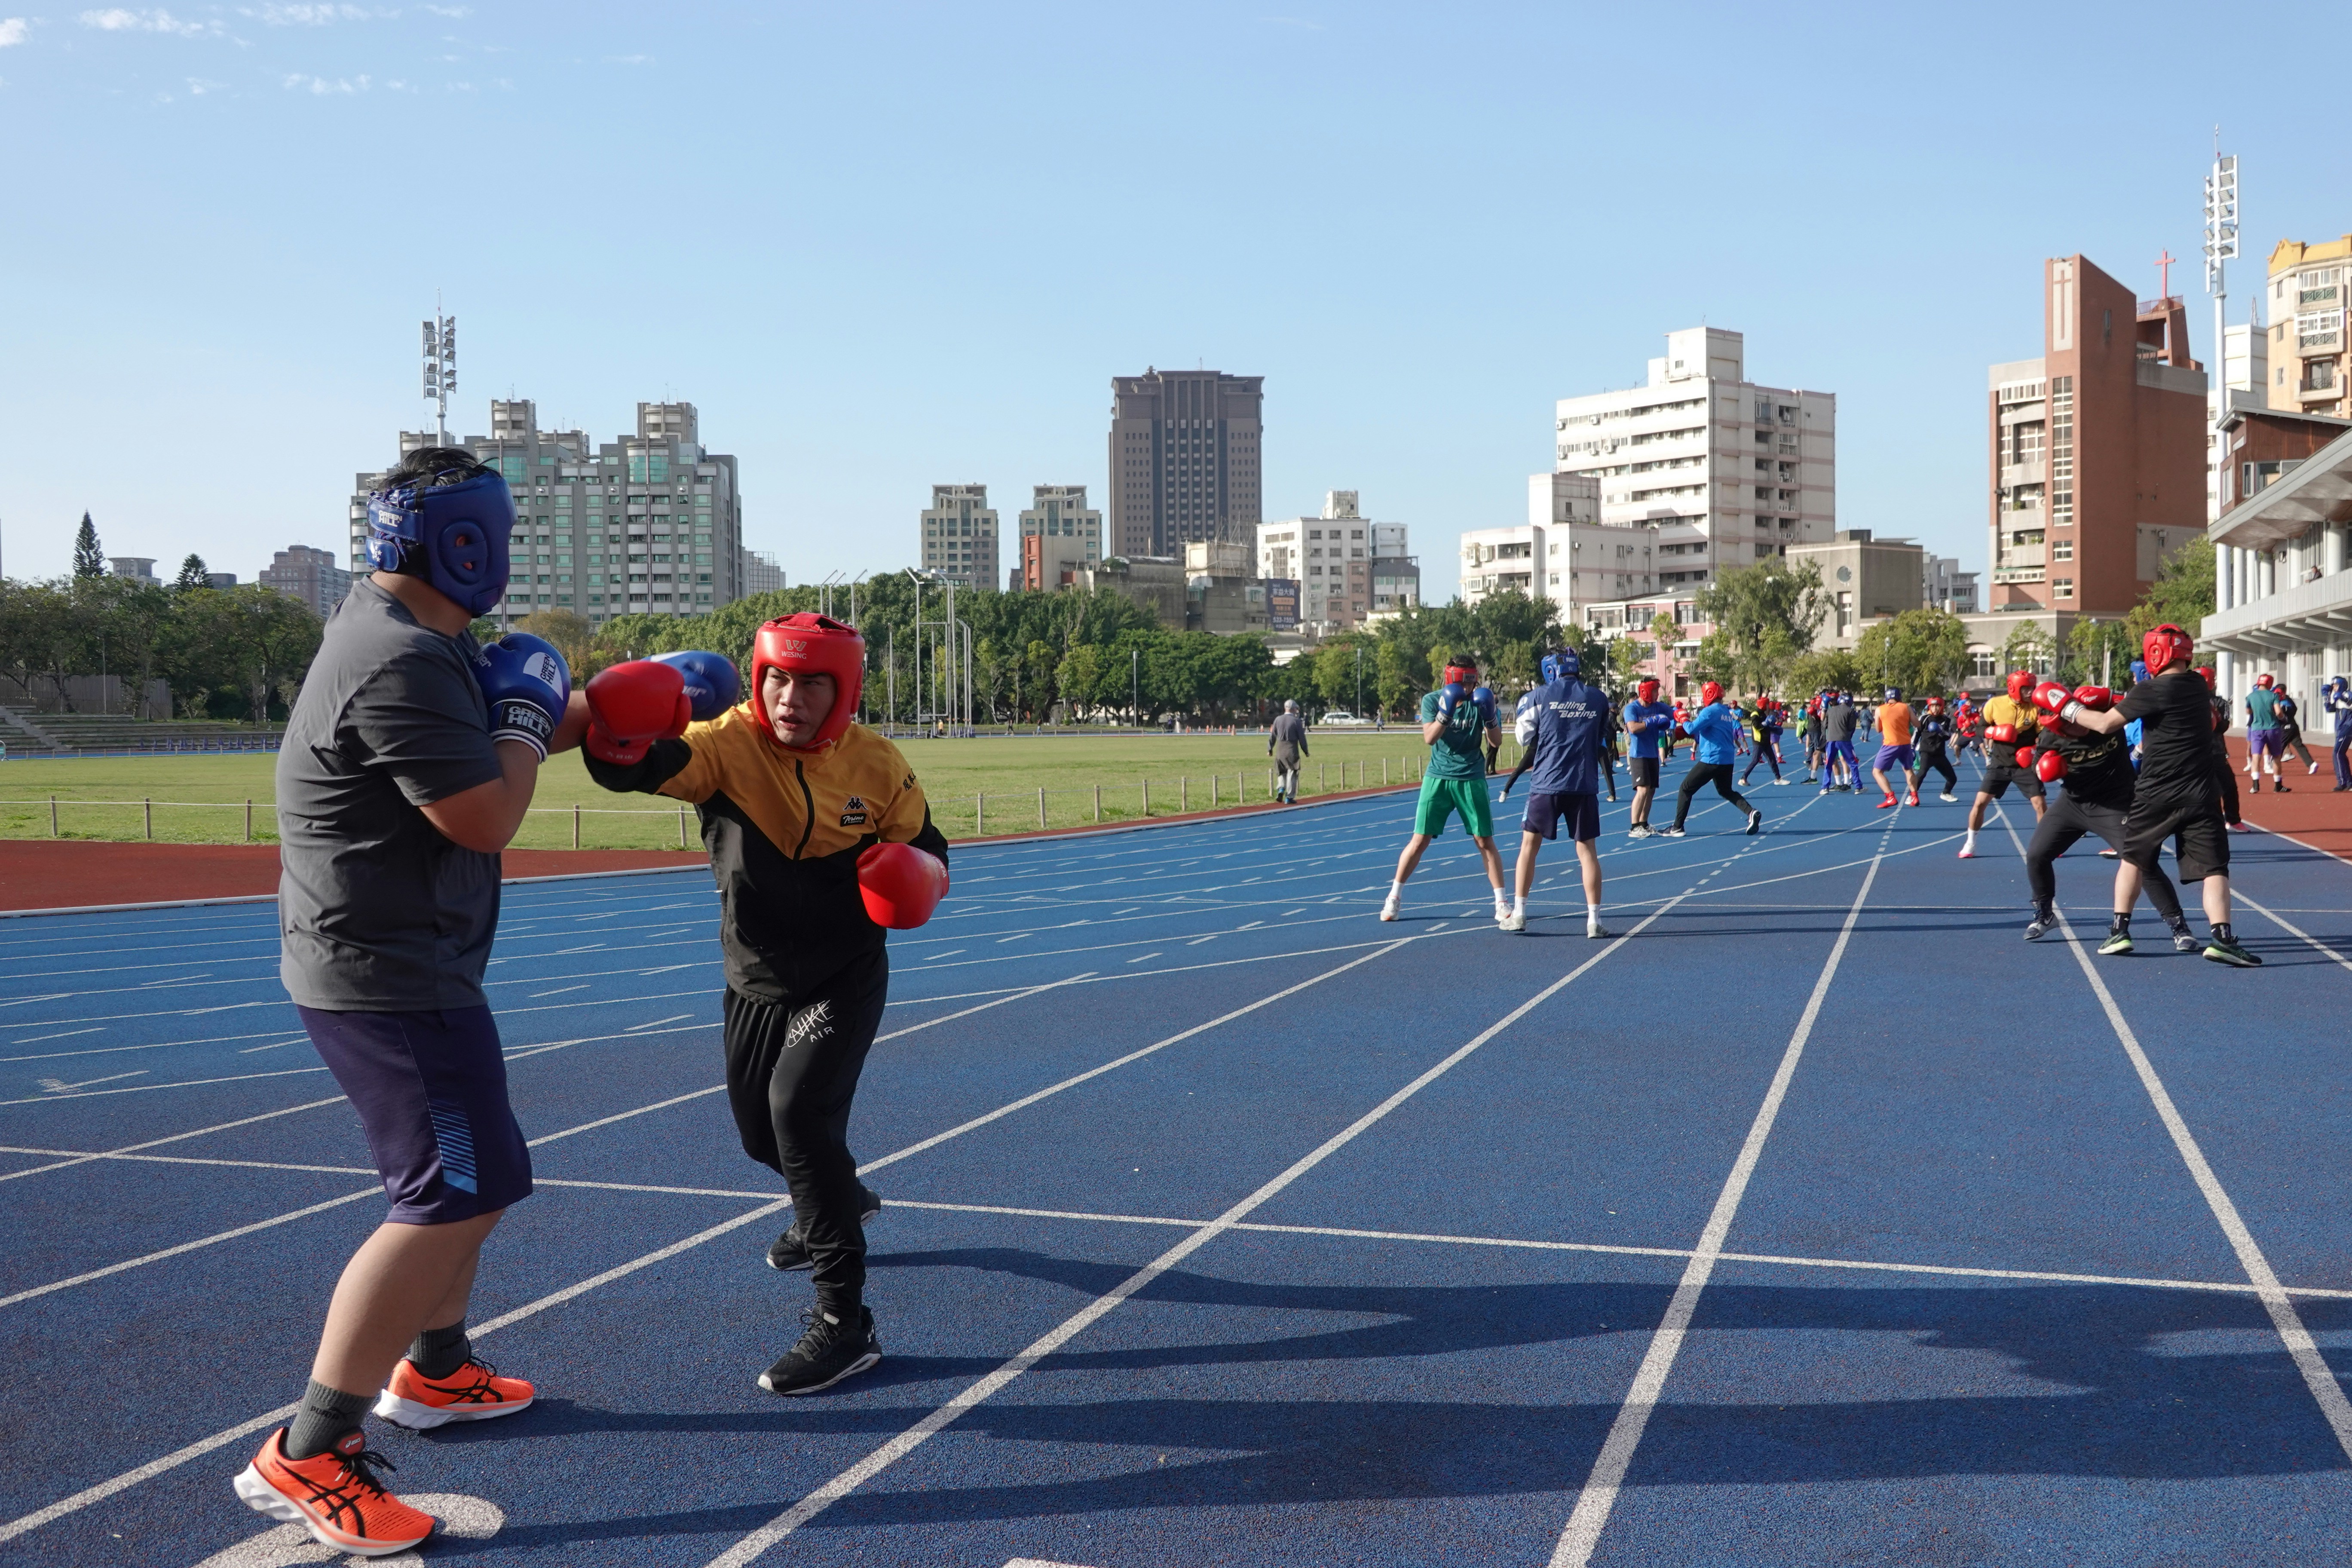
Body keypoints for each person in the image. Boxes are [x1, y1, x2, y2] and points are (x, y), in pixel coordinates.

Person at [237, 447, 590, 1556]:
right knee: (455, 1189)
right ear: (466, 539)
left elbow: (504, 730)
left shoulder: (412, 634)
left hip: (395, 964)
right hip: (389, 978)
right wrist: (533, 722)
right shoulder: (398, 658)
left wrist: (620, 704)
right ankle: (311, 1447)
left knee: (472, 1178)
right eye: (503, 536)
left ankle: (436, 1372)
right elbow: (485, 815)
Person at [584, 613, 952, 1393]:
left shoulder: (877, 764)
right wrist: (615, 736)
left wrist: (920, 876)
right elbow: (639, 767)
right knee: (765, 1141)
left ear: (843, 690)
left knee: (798, 1114)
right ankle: (841, 1196)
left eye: (812, 682)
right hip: (753, 977)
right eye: (778, 678)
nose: (790, 696)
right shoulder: (728, 742)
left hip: (842, 973)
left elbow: (931, 846)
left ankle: (845, 1323)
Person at [2047, 625, 2261, 966]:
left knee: (2133, 859)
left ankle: (2119, 931)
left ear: (2156, 653)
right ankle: (2222, 938)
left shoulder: (2151, 689)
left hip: (2156, 793)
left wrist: (2069, 707)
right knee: (2215, 869)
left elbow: (2103, 725)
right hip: (2202, 792)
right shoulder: (2197, 686)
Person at [2018, 683, 2196, 955]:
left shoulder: (2105, 715)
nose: (2074, 730)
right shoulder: (2051, 737)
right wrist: (2043, 769)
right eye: (2065, 729)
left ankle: (2179, 927)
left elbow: (2142, 707)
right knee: (2036, 855)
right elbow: (2037, 766)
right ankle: (2044, 914)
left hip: (2115, 804)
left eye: (2073, 723)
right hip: (2073, 803)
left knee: (2142, 862)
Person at [1497, 648, 1613, 938]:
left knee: (1528, 848)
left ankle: (1520, 913)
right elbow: (1602, 736)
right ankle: (1594, 921)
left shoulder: (1539, 696)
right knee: (1587, 853)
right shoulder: (1597, 697)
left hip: (1546, 782)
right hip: (1583, 784)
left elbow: (1524, 737)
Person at [1382, 658, 1508, 924]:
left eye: (1472, 680)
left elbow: (1496, 742)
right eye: (1464, 680)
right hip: (1438, 777)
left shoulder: (1482, 700)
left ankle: (1501, 902)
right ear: (1452, 678)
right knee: (1419, 840)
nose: (1469, 686)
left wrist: (1489, 716)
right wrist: (1446, 712)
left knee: (1484, 840)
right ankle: (1394, 898)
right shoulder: (1433, 700)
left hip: (1471, 777)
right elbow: (1430, 738)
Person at [1961, 669, 2047, 858]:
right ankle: (1970, 843)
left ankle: (2045, 845)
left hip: (2025, 764)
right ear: (2014, 688)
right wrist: (1995, 732)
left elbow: (2043, 734)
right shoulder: (1995, 704)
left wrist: (2037, 750)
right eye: (2026, 689)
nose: (2030, 692)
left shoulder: (2036, 706)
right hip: (2000, 763)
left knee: (2040, 803)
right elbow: (1980, 729)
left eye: (2032, 688)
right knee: (1980, 803)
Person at [1660, 681, 1763, 838]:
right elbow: (1710, 733)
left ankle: (1678, 827)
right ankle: (1751, 812)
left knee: (1686, 788)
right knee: (1726, 791)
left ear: (1709, 694)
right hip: (1728, 759)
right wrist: (1688, 732)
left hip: (1712, 759)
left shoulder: (1710, 711)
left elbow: (1692, 728)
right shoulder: (1726, 713)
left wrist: (1684, 719)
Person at [1620, 676, 1675, 838]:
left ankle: (1643, 824)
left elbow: (1672, 714)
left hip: (1652, 754)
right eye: (1654, 691)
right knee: (1643, 790)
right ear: (1645, 691)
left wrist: (1679, 717)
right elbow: (1633, 728)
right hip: (1639, 755)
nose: (1657, 695)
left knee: (1651, 791)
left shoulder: (1657, 707)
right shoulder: (1633, 708)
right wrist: (1652, 722)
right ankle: (1634, 827)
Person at [1870, 686, 1916, 808]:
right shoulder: (1906, 707)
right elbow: (1917, 724)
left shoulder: (1880, 709)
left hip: (1890, 744)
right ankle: (1915, 796)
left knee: (1877, 772)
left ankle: (1890, 797)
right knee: (1908, 770)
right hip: (1906, 743)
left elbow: (1878, 729)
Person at [1910, 695, 1959, 802]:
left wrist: (1941, 731)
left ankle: (1946, 793)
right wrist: (1912, 748)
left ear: (1941, 707)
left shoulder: (1946, 720)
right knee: (1922, 774)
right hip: (1926, 752)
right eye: (1932, 706)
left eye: (1937, 706)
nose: (1935, 709)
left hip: (1940, 754)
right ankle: (1912, 796)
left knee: (1953, 778)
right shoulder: (1924, 718)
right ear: (1929, 707)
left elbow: (1949, 736)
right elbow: (1917, 734)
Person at [2244, 672, 2286, 792]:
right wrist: (2283, 719)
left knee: (2256, 756)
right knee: (2277, 756)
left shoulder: (2251, 696)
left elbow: (2248, 711)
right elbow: (2279, 712)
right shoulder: (2273, 696)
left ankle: (2255, 785)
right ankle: (2278, 785)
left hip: (2257, 729)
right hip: (2273, 728)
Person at [1268, 698, 1309, 804]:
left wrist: (1270, 749)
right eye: (1296, 708)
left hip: (1280, 749)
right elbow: (1302, 739)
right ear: (1292, 709)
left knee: (1281, 771)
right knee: (1292, 772)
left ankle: (1281, 788)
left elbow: (1273, 736)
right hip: (1292, 749)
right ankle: (1289, 797)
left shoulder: (1278, 719)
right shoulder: (1297, 722)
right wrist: (1306, 751)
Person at [1740, 692, 1784, 786]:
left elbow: (1766, 727)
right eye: (1767, 704)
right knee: (1755, 760)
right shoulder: (1755, 714)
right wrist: (1766, 724)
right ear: (1764, 704)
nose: (1768, 706)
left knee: (1772, 760)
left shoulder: (1764, 715)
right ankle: (1743, 778)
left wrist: (1774, 729)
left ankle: (1779, 779)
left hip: (1766, 741)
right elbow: (1757, 726)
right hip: (1758, 741)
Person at [1819, 689, 1859, 792]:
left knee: (1831, 763)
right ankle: (1858, 787)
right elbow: (1851, 728)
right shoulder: (1850, 711)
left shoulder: (1831, 710)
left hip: (1831, 739)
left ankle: (1825, 787)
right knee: (1852, 762)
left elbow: (1825, 724)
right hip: (1843, 739)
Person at [2275, 684, 2315, 775]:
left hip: (2286, 727)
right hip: (2293, 726)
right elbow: (2295, 710)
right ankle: (2312, 764)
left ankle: (2273, 766)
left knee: (2279, 746)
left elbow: (2280, 714)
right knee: (2299, 746)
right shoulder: (2288, 700)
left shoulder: (2284, 702)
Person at [2328, 674, 2352, 792]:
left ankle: (2342, 782)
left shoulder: (2348, 694)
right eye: (2333, 686)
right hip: (2341, 728)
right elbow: (2329, 709)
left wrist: (2342, 698)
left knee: (2337, 753)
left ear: (2342, 685)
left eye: (2336, 685)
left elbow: (2350, 703)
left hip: (2348, 727)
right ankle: (2349, 782)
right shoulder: (2335, 696)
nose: (2334, 688)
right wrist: (2326, 696)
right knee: (2340, 754)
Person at [1800, 692, 1826, 782]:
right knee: (1817, 745)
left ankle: (1808, 760)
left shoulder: (1811, 710)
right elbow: (1818, 719)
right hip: (1815, 730)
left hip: (1810, 729)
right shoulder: (1815, 710)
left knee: (1812, 745)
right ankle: (1820, 762)